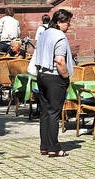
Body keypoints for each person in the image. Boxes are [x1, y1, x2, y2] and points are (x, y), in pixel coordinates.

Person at [30, 10, 75, 158]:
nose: (68, 26)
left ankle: (45, 145)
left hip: (42, 75)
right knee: (54, 113)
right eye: (67, 23)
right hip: (55, 76)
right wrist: (66, 76)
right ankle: (54, 148)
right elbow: (60, 60)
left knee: (45, 112)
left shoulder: (45, 33)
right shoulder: (60, 37)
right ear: (60, 22)